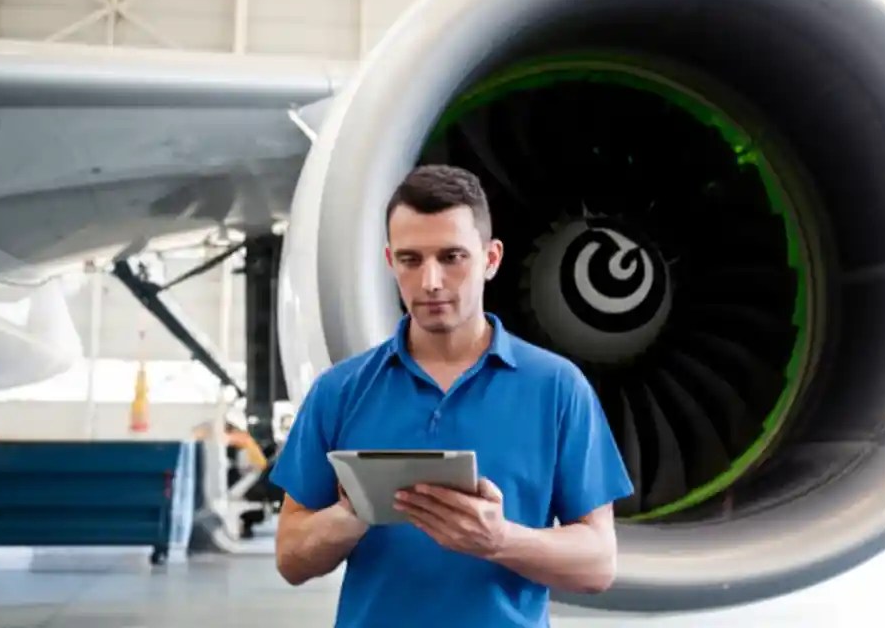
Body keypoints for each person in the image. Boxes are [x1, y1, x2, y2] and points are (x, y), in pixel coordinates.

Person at [271, 164, 633, 627]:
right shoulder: (339, 391)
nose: (431, 282)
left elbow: (599, 563)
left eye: (452, 256)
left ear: (492, 258)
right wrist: (349, 516)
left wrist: (499, 539)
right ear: (389, 261)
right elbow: (290, 558)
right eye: (410, 260)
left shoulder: (558, 388)